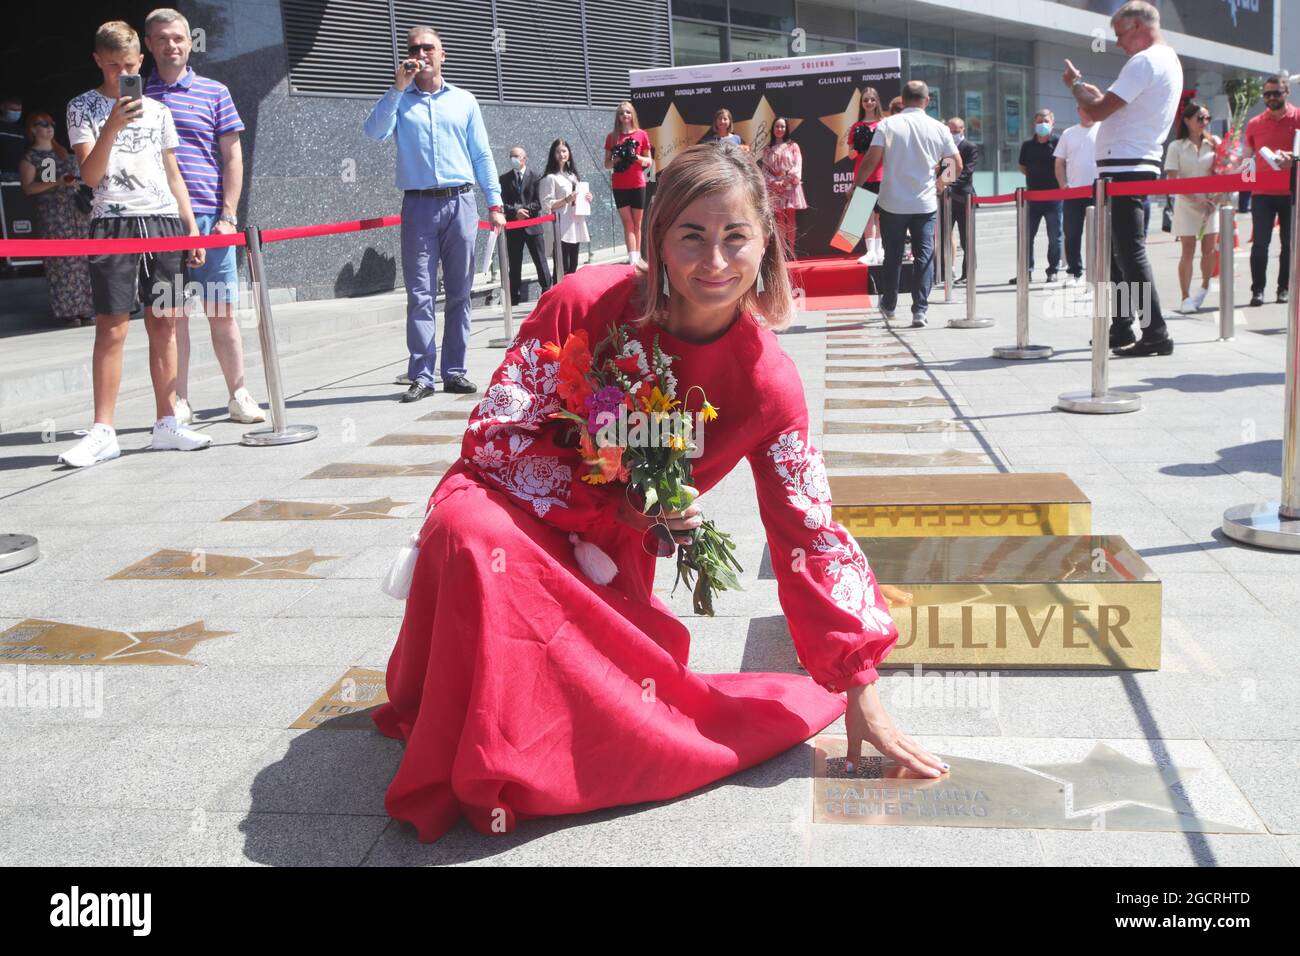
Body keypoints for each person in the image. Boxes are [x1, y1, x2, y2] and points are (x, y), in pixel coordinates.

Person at [372, 142, 948, 843]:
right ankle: (473, 735)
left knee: (626, 719)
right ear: (658, 241)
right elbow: (494, 433)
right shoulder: (584, 300)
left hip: (609, 558)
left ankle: (515, 753)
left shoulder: (769, 383)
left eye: (736, 237)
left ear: (766, 242)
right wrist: (616, 498)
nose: (714, 262)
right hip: (506, 503)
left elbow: (810, 529)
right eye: (692, 236)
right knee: (470, 533)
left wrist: (860, 683)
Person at [57, 20, 210, 468]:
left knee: (165, 324)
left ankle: (167, 422)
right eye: (111, 67)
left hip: (163, 222)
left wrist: (191, 228)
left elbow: (173, 173)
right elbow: (89, 176)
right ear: (97, 62)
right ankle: (103, 430)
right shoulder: (81, 107)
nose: (120, 74)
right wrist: (111, 126)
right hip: (113, 222)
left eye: (128, 66)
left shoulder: (160, 111)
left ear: (140, 62)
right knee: (112, 327)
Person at [364, 26, 504, 402]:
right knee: (420, 294)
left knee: (460, 292)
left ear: (443, 55)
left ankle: (454, 370)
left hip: (461, 202)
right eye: (414, 48)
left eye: (429, 47)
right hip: (418, 205)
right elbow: (374, 132)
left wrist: (495, 202)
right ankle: (422, 374)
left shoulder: (464, 101)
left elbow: (482, 154)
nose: (421, 53)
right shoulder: (400, 99)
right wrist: (397, 87)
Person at [143, 7, 265, 426]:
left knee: (222, 312)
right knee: (171, 317)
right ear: (149, 45)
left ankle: (239, 394)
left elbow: (232, 156)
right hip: (161, 222)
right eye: (161, 38)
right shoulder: (138, 98)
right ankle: (178, 401)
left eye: (177, 37)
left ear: (189, 41)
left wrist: (229, 216)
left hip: (212, 218)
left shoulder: (214, 91)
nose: (170, 45)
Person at [1064, 0, 1182, 358]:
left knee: (1128, 253)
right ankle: (1123, 325)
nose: (1117, 44)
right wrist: (1091, 95)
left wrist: (1075, 85)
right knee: (1120, 255)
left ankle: (1155, 331)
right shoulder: (1166, 60)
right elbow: (1112, 107)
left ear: (1136, 27)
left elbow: (1096, 110)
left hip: (1125, 166)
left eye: (1119, 35)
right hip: (1130, 163)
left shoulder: (1145, 61)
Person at [849, 80, 961, 328]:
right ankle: (920, 310)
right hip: (924, 203)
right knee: (924, 256)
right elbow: (957, 163)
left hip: (893, 202)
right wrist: (941, 184)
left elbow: (870, 159)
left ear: (903, 98)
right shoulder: (939, 128)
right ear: (927, 100)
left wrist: (856, 186)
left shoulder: (888, 124)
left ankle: (889, 304)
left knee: (893, 256)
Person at [18, 112, 94, 326]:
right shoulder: (31, 158)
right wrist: (58, 183)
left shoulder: (63, 154)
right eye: (42, 124)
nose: (49, 127)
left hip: (77, 212)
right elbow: (28, 188)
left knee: (84, 261)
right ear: (33, 129)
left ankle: (87, 309)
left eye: (51, 123)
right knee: (61, 263)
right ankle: (69, 311)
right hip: (54, 215)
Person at [1242, 74, 1299, 306]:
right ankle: (1258, 290)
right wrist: (1241, 178)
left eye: (1276, 93)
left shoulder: (1297, 117)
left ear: (1287, 93)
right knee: (1260, 244)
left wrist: (1294, 161)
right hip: (1262, 194)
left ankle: (1283, 289)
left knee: (1289, 245)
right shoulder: (1255, 123)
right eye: (1267, 94)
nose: (1271, 97)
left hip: (1291, 192)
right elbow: (1247, 157)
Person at [1164, 100, 1221, 313]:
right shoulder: (1176, 146)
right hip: (1187, 203)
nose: (1204, 122)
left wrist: (1215, 198)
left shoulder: (1214, 142)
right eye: (1200, 118)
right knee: (1188, 249)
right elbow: (1172, 179)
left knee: (1209, 250)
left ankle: (1204, 287)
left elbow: (1222, 172)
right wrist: (1196, 199)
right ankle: (1185, 297)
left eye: (1207, 118)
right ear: (1187, 120)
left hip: (1210, 203)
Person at [1010, 109, 1062, 284]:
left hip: (1054, 198)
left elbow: (1064, 166)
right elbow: (1022, 167)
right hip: (1032, 197)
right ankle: (1026, 272)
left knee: (1055, 237)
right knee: (1026, 236)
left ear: (1052, 122)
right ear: (1034, 123)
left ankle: (1052, 271)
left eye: (1046, 121)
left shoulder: (1058, 143)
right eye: (1039, 121)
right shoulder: (1027, 145)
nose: (1042, 124)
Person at [498, 145, 551, 306]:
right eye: (511, 156)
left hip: (533, 227)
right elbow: (503, 204)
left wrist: (525, 211)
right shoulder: (504, 179)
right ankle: (513, 296)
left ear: (524, 158)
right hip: (514, 228)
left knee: (540, 260)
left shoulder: (536, 176)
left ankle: (547, 291)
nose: (513, 159)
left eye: (517, 156)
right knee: (514, 263)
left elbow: (538, 202)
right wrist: (516, 212)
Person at [1054, 104, 1099, 286]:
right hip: (1074, 192)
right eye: (1084, 108)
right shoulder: (1068, 133)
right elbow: (1059, 162)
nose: (1087, 112)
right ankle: (1074, 272)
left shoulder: (1103, 130)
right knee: (1072, 234)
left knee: (1099, 235)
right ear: (1079, 110)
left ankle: (1099, 271)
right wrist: (1063, 185)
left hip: (1099, 191)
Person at [604, 101, 652, 266]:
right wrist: (618, 158)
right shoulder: (612, 137)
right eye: (621, 113)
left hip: (638, 184)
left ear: (632, 115)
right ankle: (632, 260)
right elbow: (607, 164)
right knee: (627, 223)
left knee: (637, 223)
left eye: (628, 112)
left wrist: (634, 156)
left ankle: (637, 258)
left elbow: (649, 162)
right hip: (620, 185)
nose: (625, 115)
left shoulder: (641, 134)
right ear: (618, 117)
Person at [538, 138, 591, 278]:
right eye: (558, 152)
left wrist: (586, 198)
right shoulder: (550, 178)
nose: (562, 154)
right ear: (552, 154)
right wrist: (567, 199)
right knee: (562, 268)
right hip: (560, 227)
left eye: (564, 151)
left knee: (573, 267)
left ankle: (571, 297)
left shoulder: (572, 176)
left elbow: (578, 198)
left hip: (575, 223)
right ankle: (558, 297)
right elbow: (546, 205)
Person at [847, 87, 884, 264]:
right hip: (862, 177)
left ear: (877, 101)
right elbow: (850, 154)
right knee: (865, 214)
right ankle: (871, 252)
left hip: (881, 175)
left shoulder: (884, 124)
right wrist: (860, 147)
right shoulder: (856, 127)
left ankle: (880, 250)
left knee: (881, 215)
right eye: (865, 100)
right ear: (861, 104)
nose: (869, 103)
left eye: (872, 99)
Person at [760, 116, 805, 256]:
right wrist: (774, 182)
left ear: (786, 129)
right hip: (774, 187)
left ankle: (791, 251)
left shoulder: (793, 146)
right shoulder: (767, 149)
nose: (779, 129)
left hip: (790, 186)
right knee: (778, 219)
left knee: (790, 218)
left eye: (782, 127)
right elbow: (764, 170)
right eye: (777, 127)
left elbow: (798, 165)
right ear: (773, 129)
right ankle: (781, 252)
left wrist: (785, 181)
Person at [945, 116, 979, 283]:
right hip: (947, 200)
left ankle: (968, 273)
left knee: (967, 239)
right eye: (950, 131)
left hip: (964, 198)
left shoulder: (970, 147)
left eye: (956, 131)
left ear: (963, 130)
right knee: (944, 236)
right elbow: (944, 169)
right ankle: (944, 271)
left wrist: (949, 185)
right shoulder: (945, 147)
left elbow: (967, 171)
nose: (952, 134)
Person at [0, 95, 26, 177]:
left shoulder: (22, 130)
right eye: (13, 109)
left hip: (18, 176)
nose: (16, 113)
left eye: (19, 110)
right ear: (2, 107)